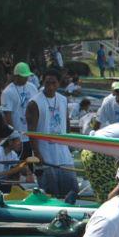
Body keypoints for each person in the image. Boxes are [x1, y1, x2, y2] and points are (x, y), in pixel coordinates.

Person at [26, 69, 78, 197]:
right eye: (47, 83)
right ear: (43, 82)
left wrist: (68, 145)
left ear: (59, 83)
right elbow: (31, 132)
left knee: (71, 193)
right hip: (45, 157)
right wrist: (37, 154)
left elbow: (66, 123)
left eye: (53, 83)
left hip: (64, 157)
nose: (50, 86)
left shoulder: (63, 100)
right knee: (50, 195)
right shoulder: (34, 103)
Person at [1, 62, 38, 158]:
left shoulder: (32, 87)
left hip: (32, 135)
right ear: (16, 76)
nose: (26, 78)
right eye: (23, 76)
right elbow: (7, 116)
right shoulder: (7, 92)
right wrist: (14, 136)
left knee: (32, 163)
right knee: (19, 163)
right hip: (19, 137)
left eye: (27, 76)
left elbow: (37, 108)